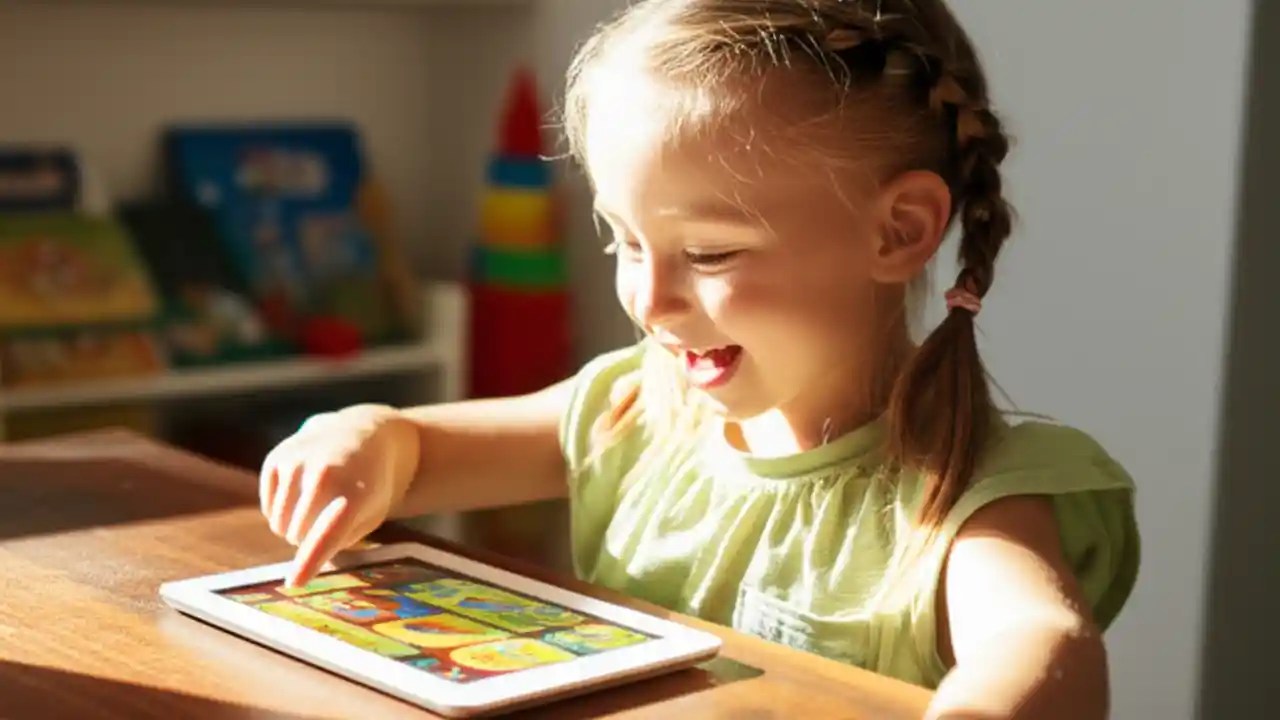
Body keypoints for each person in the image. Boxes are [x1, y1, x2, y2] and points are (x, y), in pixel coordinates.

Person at [259, 2, 1139, 717]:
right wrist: (360, 434)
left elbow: (1040, 642)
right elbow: (417, 454)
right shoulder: (639, 409)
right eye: (623, 241)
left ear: (899, 231)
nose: (649, 300)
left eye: (711, 254)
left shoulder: (975, 488)